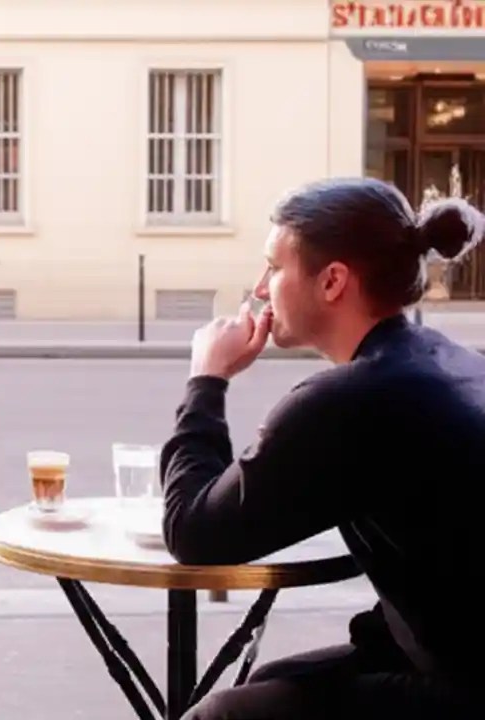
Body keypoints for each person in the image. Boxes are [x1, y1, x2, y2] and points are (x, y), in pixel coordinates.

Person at [161, 177, 482, 719]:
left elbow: (193, 533)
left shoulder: (350, 400)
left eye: (274, 267)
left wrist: (207, 379)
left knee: (221, 716)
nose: (260, 288)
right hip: (454, 657)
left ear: (333, 281)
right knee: (270, 682)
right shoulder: (447, 359)